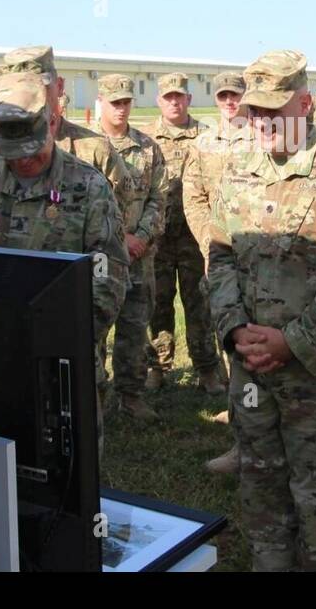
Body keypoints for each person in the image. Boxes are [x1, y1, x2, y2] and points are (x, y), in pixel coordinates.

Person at [207, 50, 316, 570]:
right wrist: (234, 328)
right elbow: (219, 257)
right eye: (255, 111)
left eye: (273, 111)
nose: (261, 122)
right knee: (262, 495)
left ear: (306, 103)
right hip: (251, 373)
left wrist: (293, 343)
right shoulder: (237, 170)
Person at [0, 72, 129, 447]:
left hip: (61, 363)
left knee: (69, 475)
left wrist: (61, 338)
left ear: (51, 122)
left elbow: (110, 276)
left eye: (32, 148)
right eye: (12, 151)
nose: (23, 161)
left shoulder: (88, 188)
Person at [0, 46, 128, 199]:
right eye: (21, 89)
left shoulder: (96, 149)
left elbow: (120, 216)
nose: (31, 96)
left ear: (59, 86)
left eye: (40, 86)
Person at [181, 70, 251, 475]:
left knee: (259, 337)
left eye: (235, 96)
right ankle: (240, 412)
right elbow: (194, 196)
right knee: (229, 328)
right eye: (223, 96)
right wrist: (212, 244)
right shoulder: (203, 143)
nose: (229, 102)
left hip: (259, 254)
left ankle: (255, 425)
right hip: (220, 253)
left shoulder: (263, 138)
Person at [144, 73, 225, 394]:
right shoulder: (147, 138)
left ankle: (207, 369)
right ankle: (159, 367)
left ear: (189, 99)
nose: (174, 102)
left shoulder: (207, 136)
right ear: (158, 101)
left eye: (179, 96)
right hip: (159, 238)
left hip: (195, 237)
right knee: (159, 303)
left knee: (199, 304)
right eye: (168, 97)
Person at [96, 73, 167, 424]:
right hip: (100, 259)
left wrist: (141, 236)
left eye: (126, 102)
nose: (121, 109)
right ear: (101, 103)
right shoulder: (85, 147)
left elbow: (158, 197)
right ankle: (94, 396)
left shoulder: (147, 148)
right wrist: (119, 238)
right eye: (115, 103)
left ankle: (131, 396)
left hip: (140, 257)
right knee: (94, 331)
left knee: (135, 329)